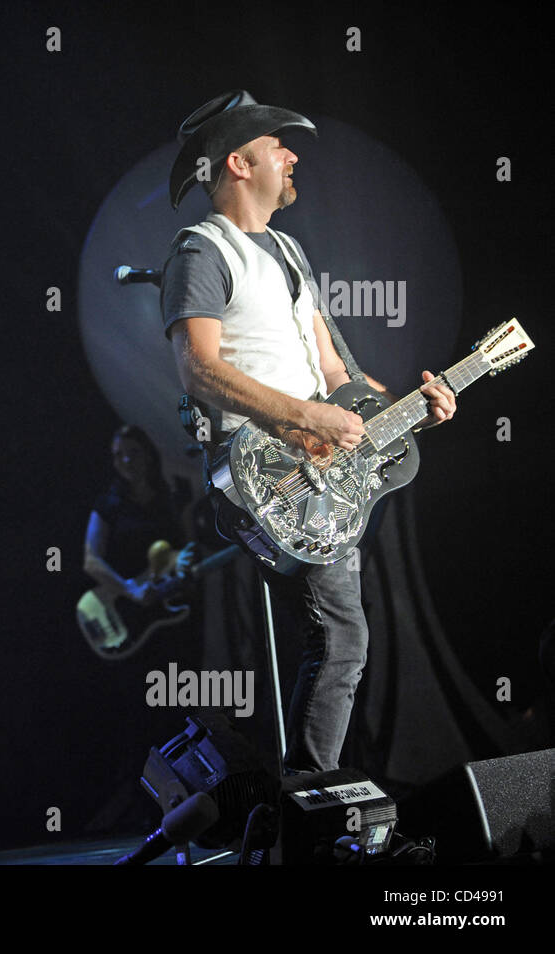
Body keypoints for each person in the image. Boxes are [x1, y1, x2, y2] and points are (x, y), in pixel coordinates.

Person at [161, 90, 457, 774]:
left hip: (318, 475)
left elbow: (335, 374)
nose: (291, 156)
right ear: (238, 163)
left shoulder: (288, 251)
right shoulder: (202, 251)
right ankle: (307, 812)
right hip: (267, 477)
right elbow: (197, 369)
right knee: (342, 639)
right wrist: (300, 416)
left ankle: (306, 802)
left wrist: (416, 402)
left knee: (342, 640)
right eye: (277, 147)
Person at [82, 424, 199, 661]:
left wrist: (185, 562)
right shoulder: (108, 505)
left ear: (148, 454)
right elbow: (91, 561)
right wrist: (130, 590)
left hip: (170, 609)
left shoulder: (173, 499)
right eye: (118, 454)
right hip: (127, 610)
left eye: (133, 452)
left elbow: (189, 547)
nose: (126, 460)